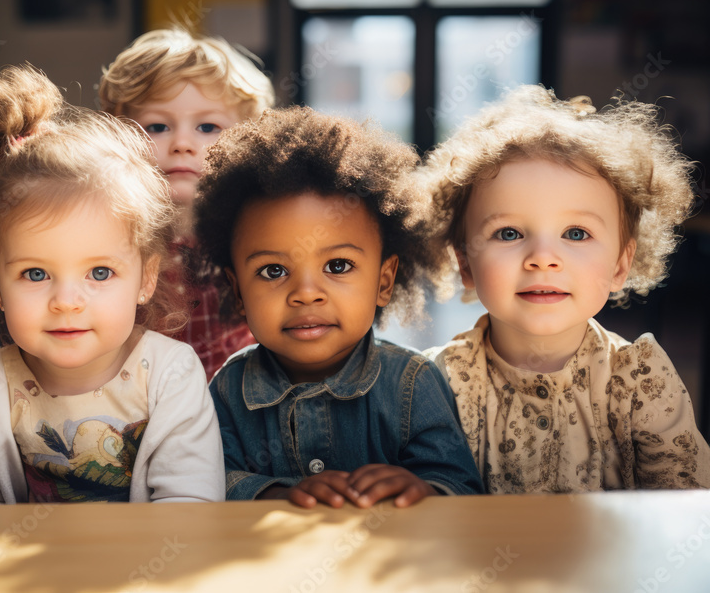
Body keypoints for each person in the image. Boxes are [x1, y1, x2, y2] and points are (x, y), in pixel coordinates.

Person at [0, 65, 224, 504]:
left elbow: (189, 506)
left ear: (146, 278)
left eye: (100, 273)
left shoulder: (170, 375)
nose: (66, 302)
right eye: (35, 274)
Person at [421, 85, 710, 493]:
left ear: (620, 265)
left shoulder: (641, 378)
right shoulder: (436, 381)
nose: (543, 258)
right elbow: (426, 499)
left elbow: (686, 508)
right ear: (465, 262)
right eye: (509, 232)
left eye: (576, 233)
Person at [194, 106, 483, 508]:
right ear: (238, 291)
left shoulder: (414, 383)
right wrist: (277, 493)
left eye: (338, 266)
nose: (306, 293)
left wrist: (424, 488)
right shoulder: (229, 389)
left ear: (383, 282)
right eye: (274, 270)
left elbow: (461, 485)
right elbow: (205, 482)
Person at [99, 27, 275, 381]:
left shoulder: (259, 233)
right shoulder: (105, 235)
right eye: (158, 126)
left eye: (207, 127)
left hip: (238, 409)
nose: (182, 143)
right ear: (120, 135)